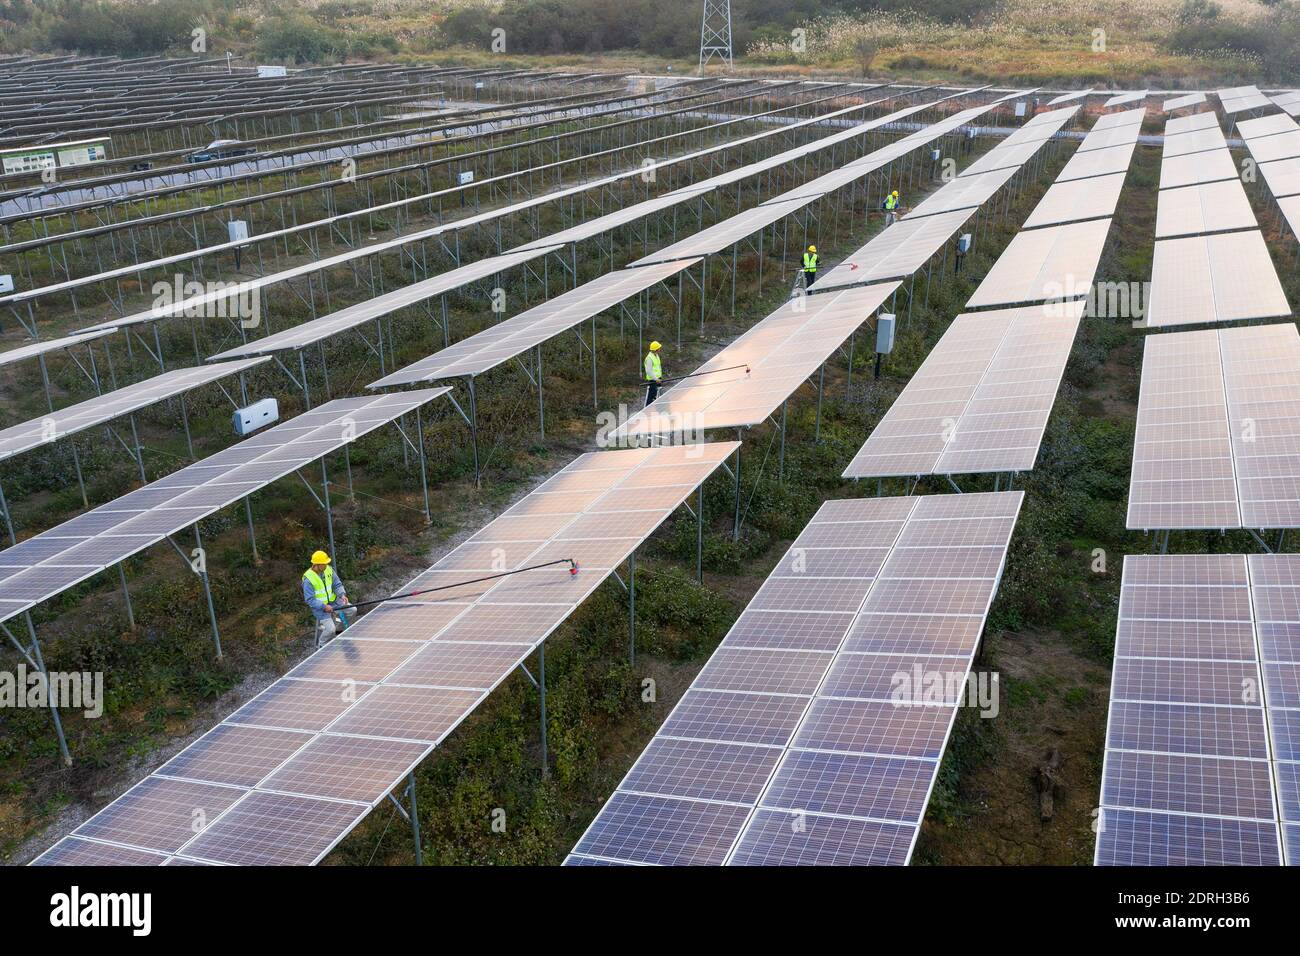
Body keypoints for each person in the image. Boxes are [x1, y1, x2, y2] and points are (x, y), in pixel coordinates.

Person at [302, 550, 351, 647]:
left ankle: (339, 631)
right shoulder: (308, 580)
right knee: (330, 629)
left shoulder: (328, 570)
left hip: (334, 602)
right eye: (324, 564)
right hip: (320, 608)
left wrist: (342, 595)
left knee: (352, 610)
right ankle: (321, 645)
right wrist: (324, 606)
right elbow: (310, 600)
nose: (326, 565)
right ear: (317, 564)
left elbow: (337, 584)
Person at [643, 341, 664, 406]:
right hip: (653, 381)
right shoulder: (649, 358)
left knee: (660, 395)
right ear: (656, 349)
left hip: (658, 379)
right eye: (659, 348)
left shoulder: (656, 356)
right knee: (651, 397)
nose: (660, 349)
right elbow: (649, 371)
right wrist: (656, 379)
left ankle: (662, 410)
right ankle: (647, 411)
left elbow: (658, 367)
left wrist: (659, 378)